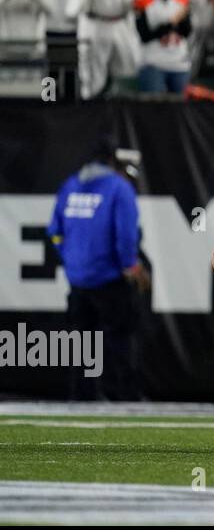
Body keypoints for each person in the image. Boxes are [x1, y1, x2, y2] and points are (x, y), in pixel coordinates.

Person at [47, 137, 147, 401]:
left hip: (78, 279)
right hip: (109, 278)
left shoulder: (70, 185)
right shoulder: (118, 188)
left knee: (81, 343)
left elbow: (55, 232)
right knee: (119, 340)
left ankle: (82, 397)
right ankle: (122, 396)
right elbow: (125, 235)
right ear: (112, 161)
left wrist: (70, 258)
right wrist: (130, 266)